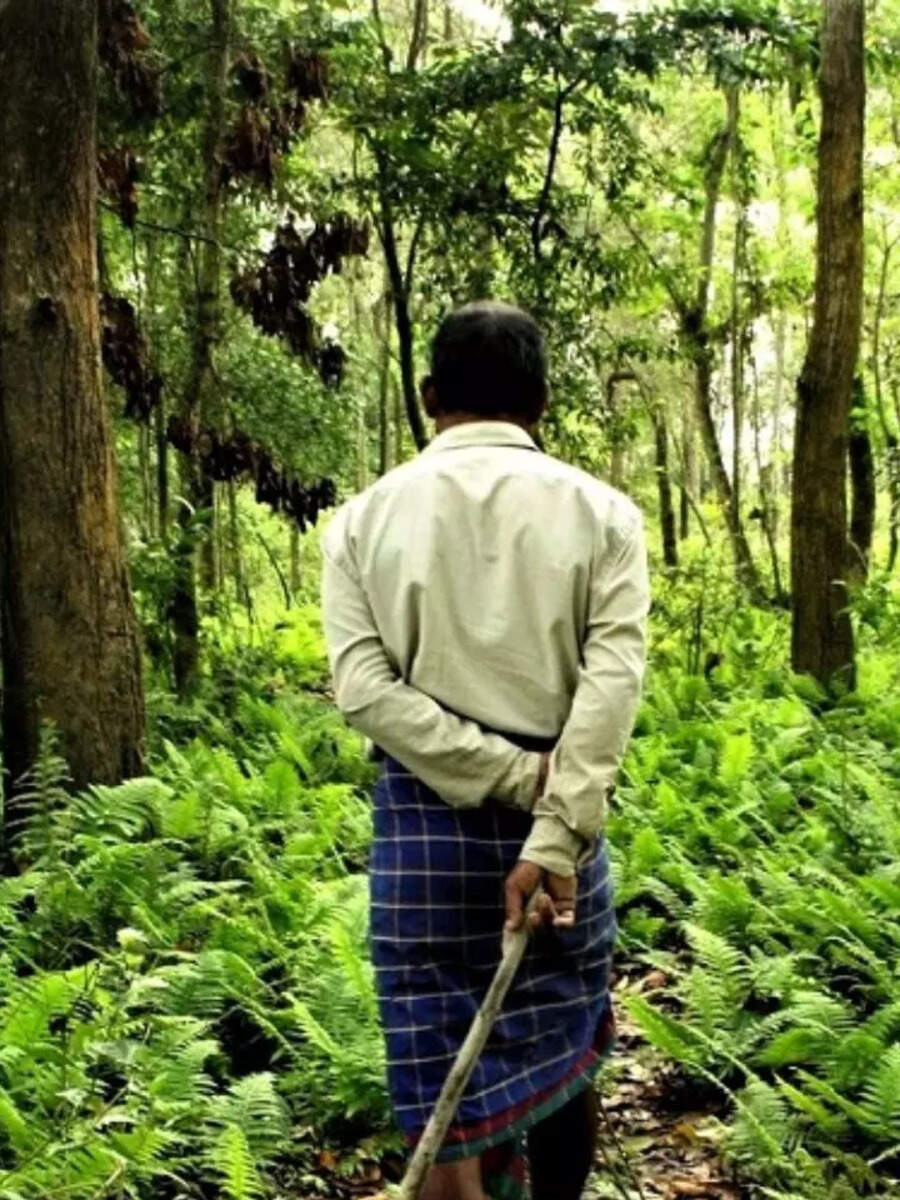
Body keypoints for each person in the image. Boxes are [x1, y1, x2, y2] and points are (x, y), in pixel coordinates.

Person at [321, 300, 650, 1200]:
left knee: (439, 1095)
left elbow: (363, 692)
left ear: (427, 396)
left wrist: (500, 778)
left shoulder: (360, 521)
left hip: (422, 842)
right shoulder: (605, 515)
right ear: (541, 401)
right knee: (568, 1046)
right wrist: (549, 825)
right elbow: (610, 690)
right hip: (560, 833)